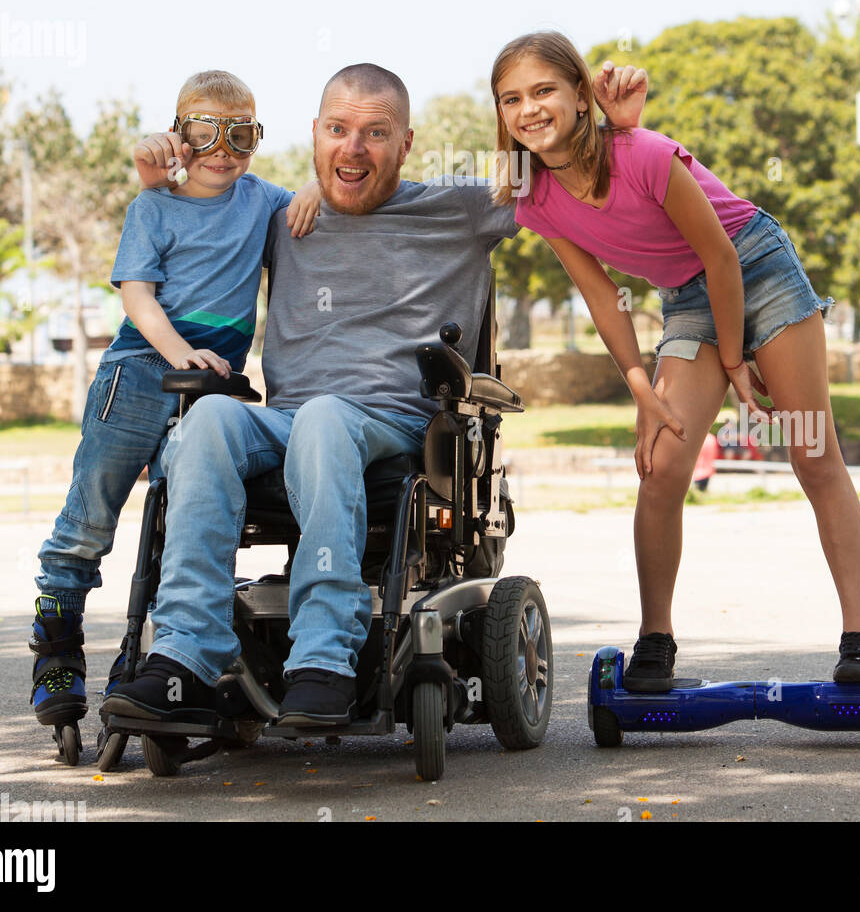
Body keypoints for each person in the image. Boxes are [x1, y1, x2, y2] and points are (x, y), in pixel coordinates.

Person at [103, 59, 647, 728]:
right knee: (211, 418)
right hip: (288, 420)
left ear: (407, 144)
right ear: (313, 134)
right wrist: (158, 174)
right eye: (337, 130)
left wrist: (616, 129)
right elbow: (197, 213)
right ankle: (185, 652)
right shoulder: (280, 213)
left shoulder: (460, 208)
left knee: (326, 417)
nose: (352, 149)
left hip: (391, 423)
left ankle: (324, 657)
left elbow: (574, 177)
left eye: (375, 133)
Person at [490, 30, 860, 689]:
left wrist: (734, 360)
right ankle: (655, 638)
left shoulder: (641, 153)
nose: (527, 109)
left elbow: (722, 258)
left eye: (543, 90)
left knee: (812, 453)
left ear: (580, 97)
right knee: (662, 466)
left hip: (755, 265)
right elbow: (602, 299)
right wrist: (641, 386)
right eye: (510, 98)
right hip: (687, 297)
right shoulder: (533, 198)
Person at [28, 70, 320, 737]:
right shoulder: (153, 205)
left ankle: (145, 659)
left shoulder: (261, 200)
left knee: (173, 526)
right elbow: (136, 295)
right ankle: (56, 647)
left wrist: (312, 190)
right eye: (205, 132)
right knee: (87, 522)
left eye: (241, 135)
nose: (224, 150)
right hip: (136, 377)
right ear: (178, 133)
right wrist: (176, 351)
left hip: (207, 395)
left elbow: (320, 202)